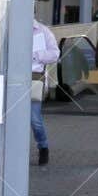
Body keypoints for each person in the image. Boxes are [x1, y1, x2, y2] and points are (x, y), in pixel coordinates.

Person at [30, 18, 58, 165]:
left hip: (34, 77)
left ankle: (43, 147)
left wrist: (37, 55)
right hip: (14, 77)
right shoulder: (12, 28)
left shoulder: (43, 31)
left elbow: (55, 54)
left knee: (34, 118)